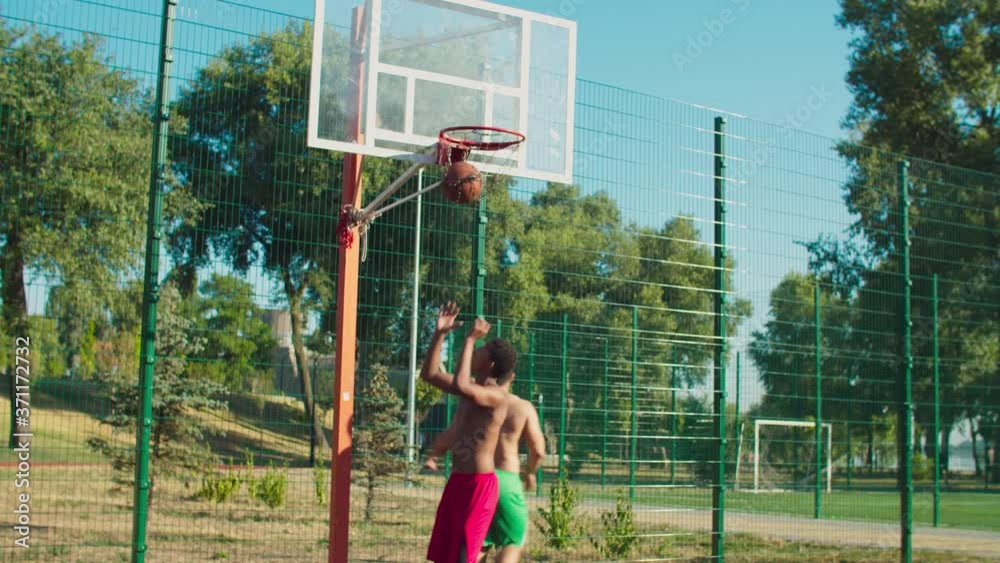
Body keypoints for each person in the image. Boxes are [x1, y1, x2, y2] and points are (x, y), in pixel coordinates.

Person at [420, 301, 516, 563]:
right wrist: (440, 334)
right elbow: (429, 374)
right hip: (458, 482)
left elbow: (462, 384)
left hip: (479, 487)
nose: (476, 352)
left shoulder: (496, 397)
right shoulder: (471, 386)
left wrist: (471, 339)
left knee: (464, 558)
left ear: (491, 364)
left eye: (481, 350)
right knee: (443, 557)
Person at [424, 376, 545, 563]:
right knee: (514, 540)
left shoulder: (475, 404)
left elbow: (452, 432)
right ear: (512, 376)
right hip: (507, 481)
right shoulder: (522, 407)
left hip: (479, 480)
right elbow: (538, 450)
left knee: (479, 543)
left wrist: (434, 454)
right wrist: (529, 472)